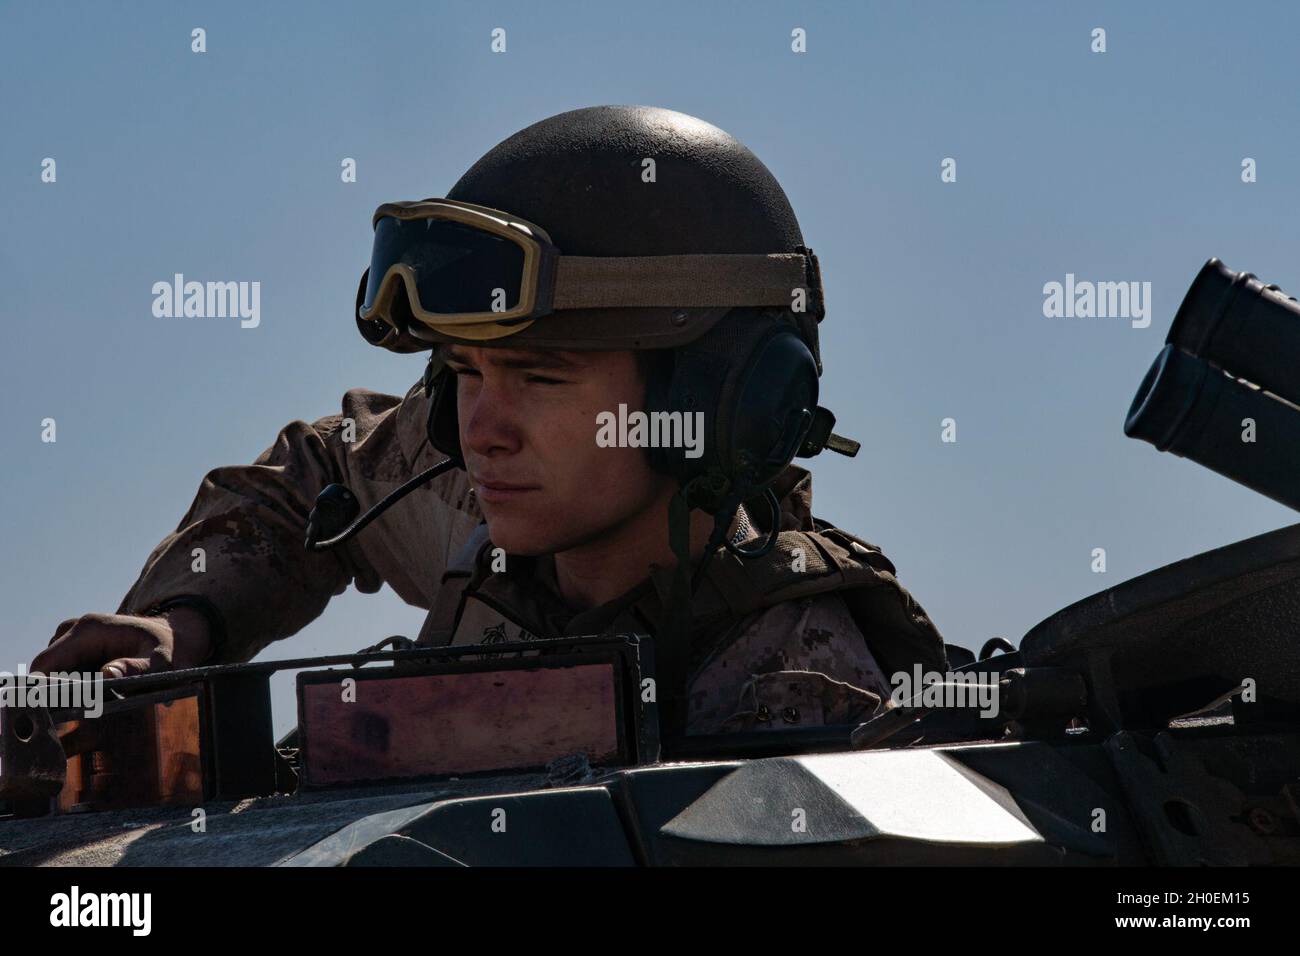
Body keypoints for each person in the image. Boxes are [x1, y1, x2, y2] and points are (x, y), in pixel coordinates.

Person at [33, 105, 947, 736]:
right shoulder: (483, 508)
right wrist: (183, 626)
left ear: (717, 403)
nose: (483, 430)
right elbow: (322, 475)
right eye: (466, 373)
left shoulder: (808, 695)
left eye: (542, 377)